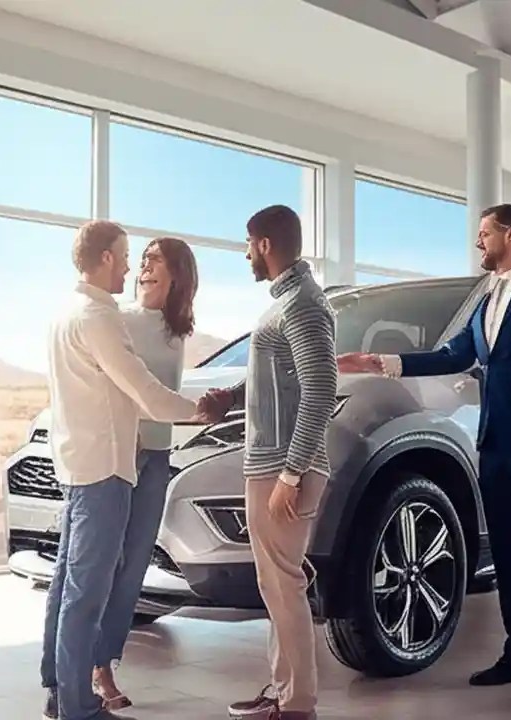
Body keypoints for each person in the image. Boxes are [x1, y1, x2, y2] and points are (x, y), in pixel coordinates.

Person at [337, 203, 511, 709]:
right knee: (510, 557)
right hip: (494, 447)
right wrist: (382, 362)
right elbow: (455, 355)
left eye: (484, 234)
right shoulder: (487, 300)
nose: (478, 242)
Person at [39, 220, 206, 720]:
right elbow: (145, 393)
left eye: (153, 259)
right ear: (108, 258)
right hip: (110, 461)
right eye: (132, 255)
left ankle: (66, 687)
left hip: (128, 461)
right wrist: (202, 411)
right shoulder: (106, 318)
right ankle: (76, 699)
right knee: (87, 583)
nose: (137, 266)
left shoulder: (161, 327)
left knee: (94, 575)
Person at [201, 205, 337, 720]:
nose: (245, 254)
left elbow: (321, 389)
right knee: (275, 584)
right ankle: (284, 691)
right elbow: (282, 377)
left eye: (247, 244)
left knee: (283, 582)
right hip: (272, 462)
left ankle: (297, 703)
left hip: (284, 465)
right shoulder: (288, 302)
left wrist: (291, 473)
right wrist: (230, 398)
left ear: (263, 244)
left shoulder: (302, 303)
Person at [89, 236, 199, 711]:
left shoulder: (179, 331)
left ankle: (104, 662)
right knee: (103, 565)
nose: (144, 268)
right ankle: (83, 667)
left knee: (133, 567)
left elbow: (163, 395)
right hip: (120, 456)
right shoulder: (120, 321)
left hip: (157, 461)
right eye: (144, 260)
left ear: (178, 275)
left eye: (157, 260)